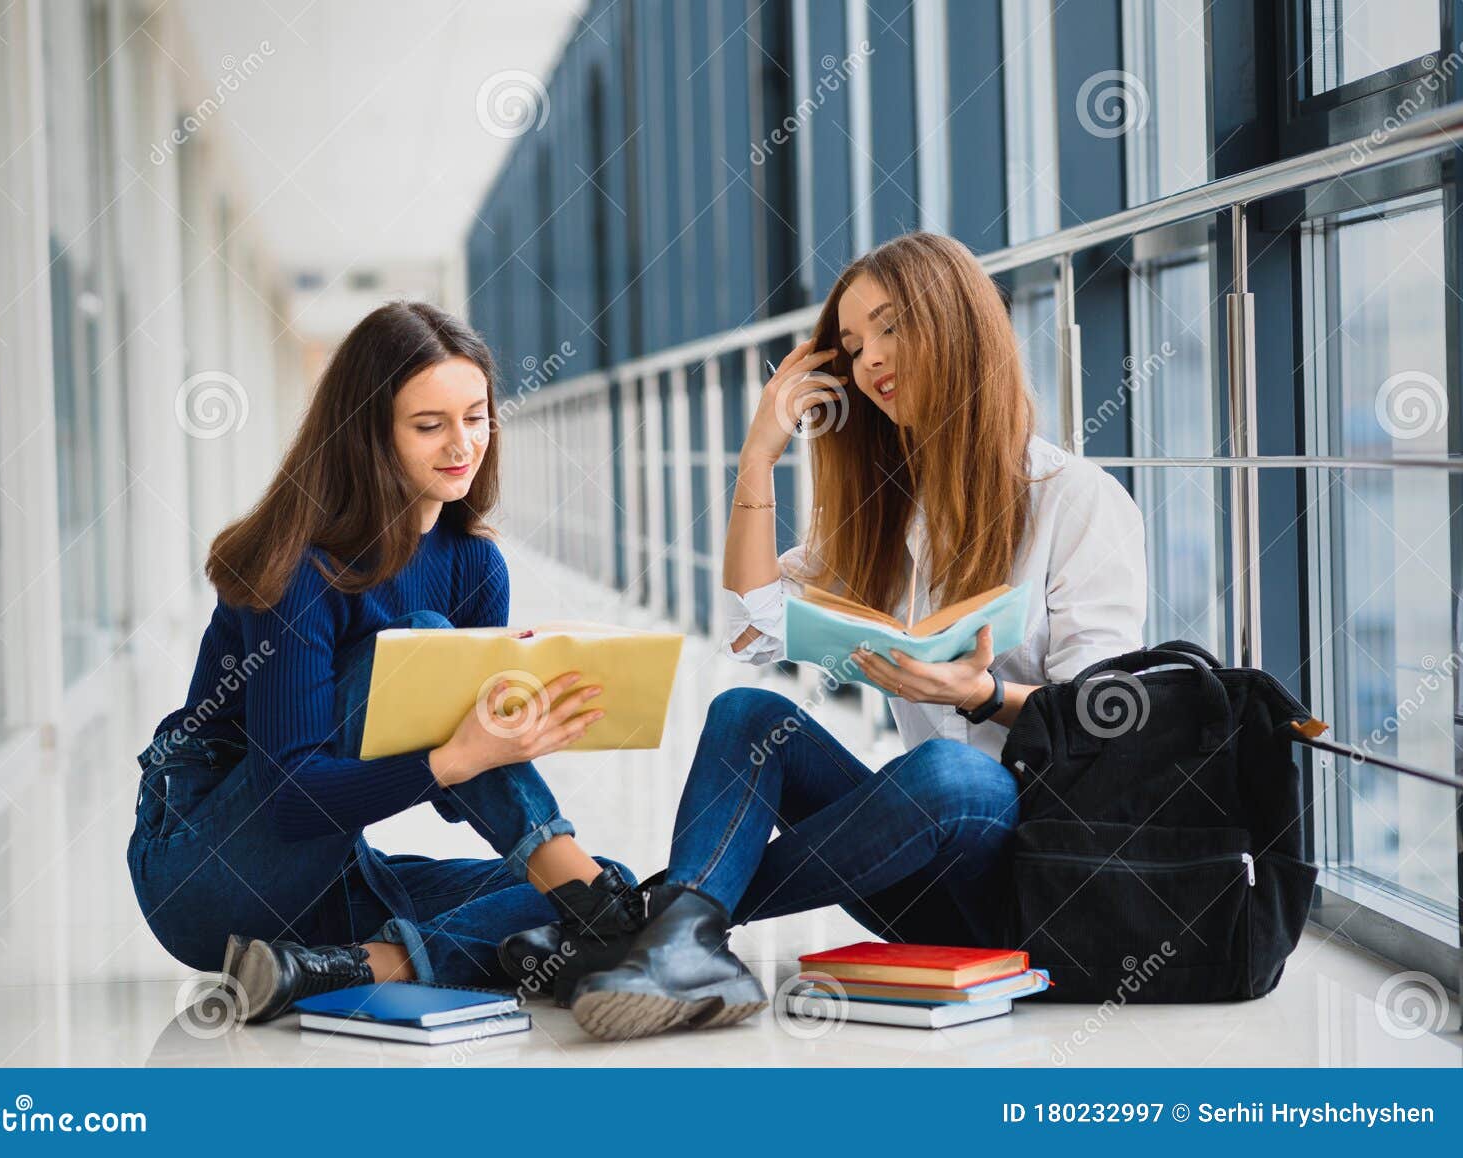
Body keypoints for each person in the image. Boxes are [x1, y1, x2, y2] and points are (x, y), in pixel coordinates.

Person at [562, 231, 1148, 1041]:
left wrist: (982, 694)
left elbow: (1107, 726)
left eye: (892, 326)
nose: (870, 359)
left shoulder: (1075, 500)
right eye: (851, 344)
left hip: (1029, 886)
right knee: (747, 715)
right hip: (910, 873)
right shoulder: (888, 515)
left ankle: (639, 925)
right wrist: (758, 459)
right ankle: (682, 934)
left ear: (958, 323)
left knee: (949, 770)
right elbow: (746, 631)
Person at [126, 302, 644, 1024]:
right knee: (418, 644)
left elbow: (461, 790)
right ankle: (601, 906)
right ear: (370, 435)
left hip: (328, 885)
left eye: (476, 416)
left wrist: (498, 740)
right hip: (209, 873)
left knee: (581, 891)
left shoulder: (474, 564)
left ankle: (336, 969)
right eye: (429, 425)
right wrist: (456, 757)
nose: (462, 444)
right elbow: (293, 799)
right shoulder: (300, 566)